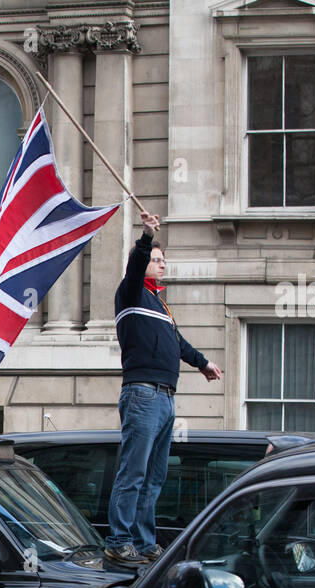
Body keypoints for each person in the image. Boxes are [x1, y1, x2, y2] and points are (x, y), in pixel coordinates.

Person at [105, 211, 223, 567]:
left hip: (165, 397)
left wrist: (202, 363)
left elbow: (178, 342)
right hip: (142, 394)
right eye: (157, 260)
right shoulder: (130, 293)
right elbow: (137, 262)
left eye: (163, 260)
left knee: (154, 476)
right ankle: (119, 540)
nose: (162, 265)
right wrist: (145, 237)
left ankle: (142, 541)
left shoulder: (161, 306)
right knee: (134, 471)